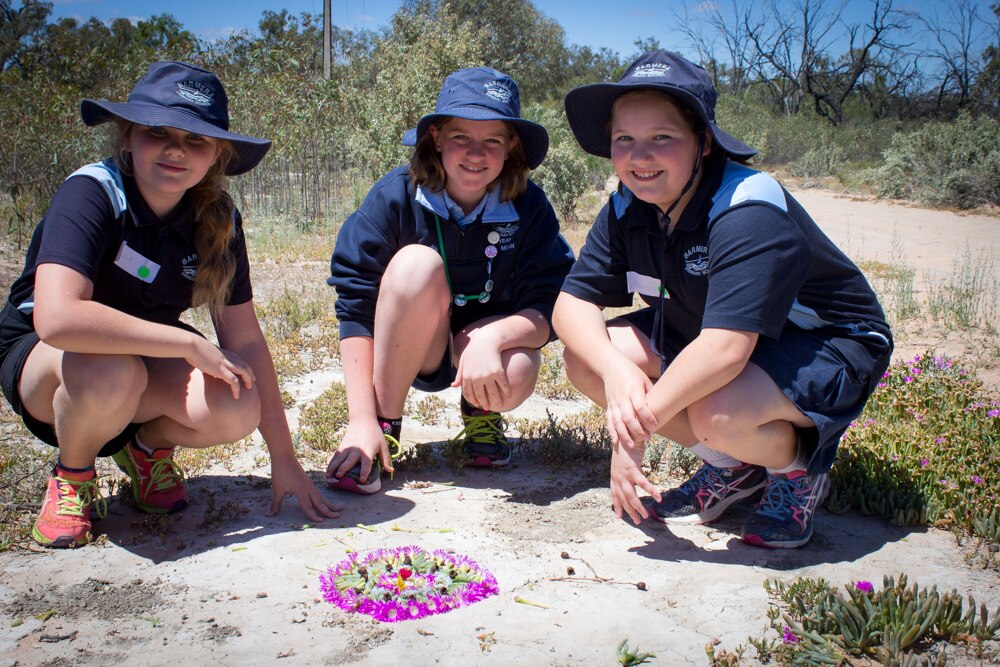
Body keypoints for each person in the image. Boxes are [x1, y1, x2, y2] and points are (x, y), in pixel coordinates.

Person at [553, 50, 892, 549]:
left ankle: (797, 471)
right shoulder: (630, 204)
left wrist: (631, 437)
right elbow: (572, 305)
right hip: (715, 329)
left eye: (661, 138)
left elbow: (726, 350)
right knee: (587, 359)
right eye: (624, 139)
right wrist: (616, 371)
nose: (639, 155)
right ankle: (732, 469)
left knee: (718, 411)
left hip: (826, 339)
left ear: (704, 142)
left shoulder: (746, 207)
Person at [0, 61, 341, 548]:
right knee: (111, 371)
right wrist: (185, 342)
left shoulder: (217, 219)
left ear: (217, 156)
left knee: (237, 400)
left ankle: (145, 450)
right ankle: (72, 476)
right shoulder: (93, 193)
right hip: (49, 361)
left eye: (196, 139)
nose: (176, 149)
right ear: (127, 137)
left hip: (143, 359)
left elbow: (244, 338)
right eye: (158, 132)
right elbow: (57, 318)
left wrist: (282, 458)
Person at [326, 66, 574, 494]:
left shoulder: (530, 206)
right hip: (415, 347)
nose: (475, 154)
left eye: (492, 141)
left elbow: (553, 303)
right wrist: (359, 418)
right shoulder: (394, 196)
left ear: (511, 146)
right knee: (415, 265)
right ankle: (383, 428)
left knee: (517, 369)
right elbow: (354, 301)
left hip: (485, 350)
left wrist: (489, 341)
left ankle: (482, 414)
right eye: (461, 137)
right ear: (436, 138)